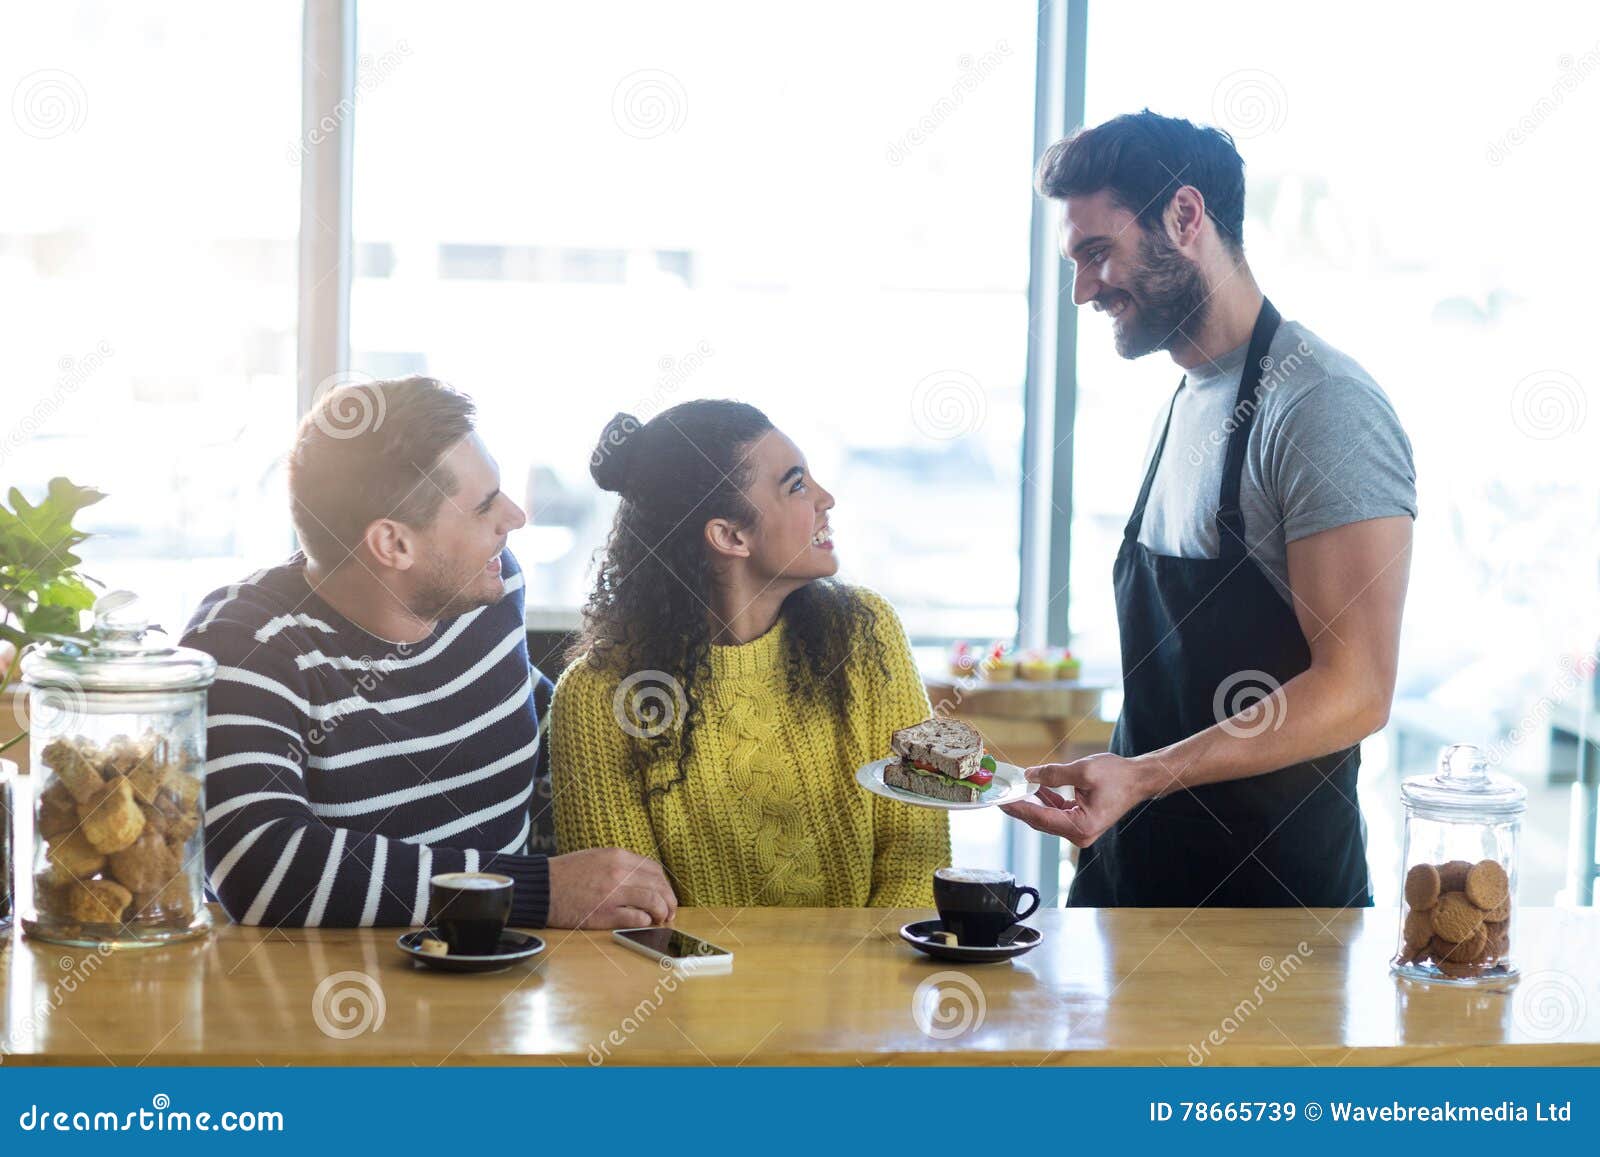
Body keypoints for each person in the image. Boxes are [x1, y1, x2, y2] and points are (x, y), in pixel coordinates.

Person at [1002, 111, 1416, 908]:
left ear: (1185, 218)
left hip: (1270, 924)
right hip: (1132, 889)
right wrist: (1109, 777)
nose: (1084, 288)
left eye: (1097, 253)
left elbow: (1359, 687)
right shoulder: (1190, 395)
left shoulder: (1320, 404)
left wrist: (1146, 775)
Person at [183, 376, 676, 929]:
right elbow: (263, 868)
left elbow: (518, 708)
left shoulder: (487, 587)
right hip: (332, 999)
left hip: (497, 979)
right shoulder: (245, 647)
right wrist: (535, 891)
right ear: (394, 544)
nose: (513, 516)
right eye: (484, 506)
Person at [550, 400, 948, 906]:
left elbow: (917, 854)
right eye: (796, 485)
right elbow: (632, 918)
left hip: (867, 979)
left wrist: (859, 980)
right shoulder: (598, 697)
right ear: (730, 536)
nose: (826, 499)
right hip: (691, 986)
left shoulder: (867, 634)